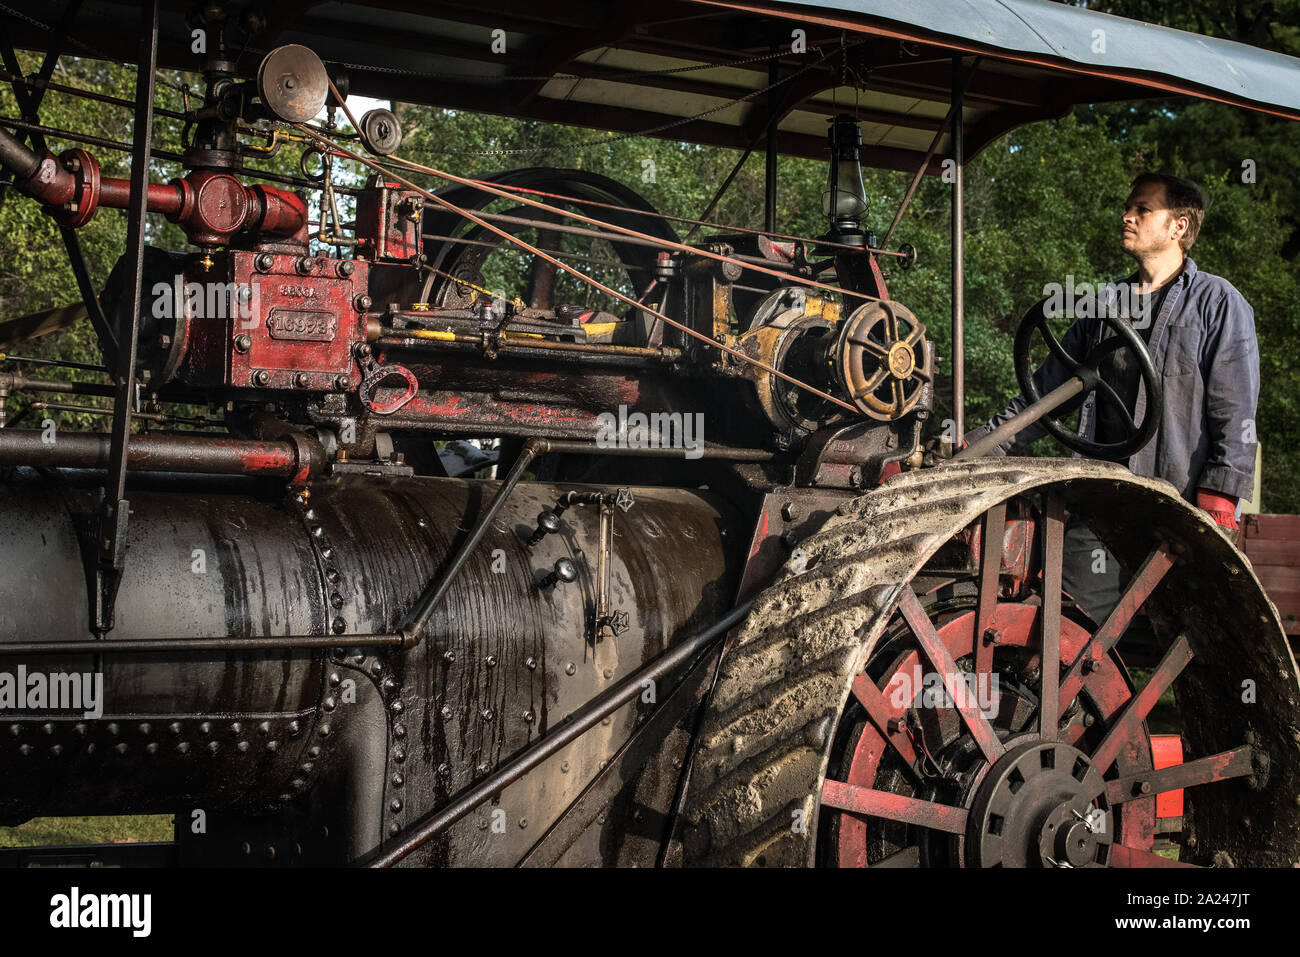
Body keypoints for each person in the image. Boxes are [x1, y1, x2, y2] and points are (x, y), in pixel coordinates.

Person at [965, 172, 1260, 624]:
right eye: (1129, 207)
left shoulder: (1218, 303)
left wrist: (1216, 505)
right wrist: (984, 445)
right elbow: (1044, 396)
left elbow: (1234, 411)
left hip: (1176, 511)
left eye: (1143, 209)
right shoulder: (1100, 306)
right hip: (1101, 505)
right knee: (1071, 636)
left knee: (1192, 648)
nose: (1127, 216)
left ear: (1178, 226)